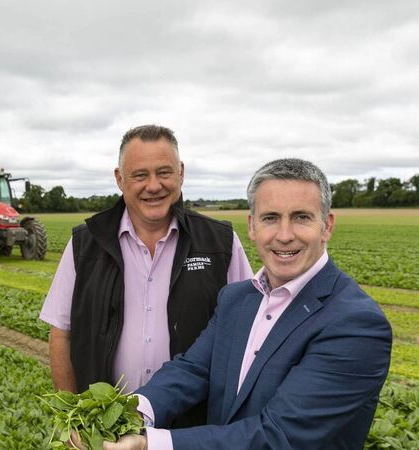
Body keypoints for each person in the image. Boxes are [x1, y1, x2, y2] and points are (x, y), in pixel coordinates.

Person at [103, 158, 393, 450]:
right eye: (270, 218)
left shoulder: (356, 324)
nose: (284, 235)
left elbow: (281, 436)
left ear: (326, 226)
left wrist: (148, 445)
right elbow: (194, 370)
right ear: (252, 226)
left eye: (301, 217)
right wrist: (127, 413)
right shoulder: (237, 299)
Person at [39, 124, 254, 426]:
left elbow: (248, 335)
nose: (153, 186)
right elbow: (61, 333)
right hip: (105, 430)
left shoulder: (220, 242)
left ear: (181, 172)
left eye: (164, 172)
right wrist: (71, 417)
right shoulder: (85, 245)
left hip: (192, 432)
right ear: (120, 179)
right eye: (140, 175)